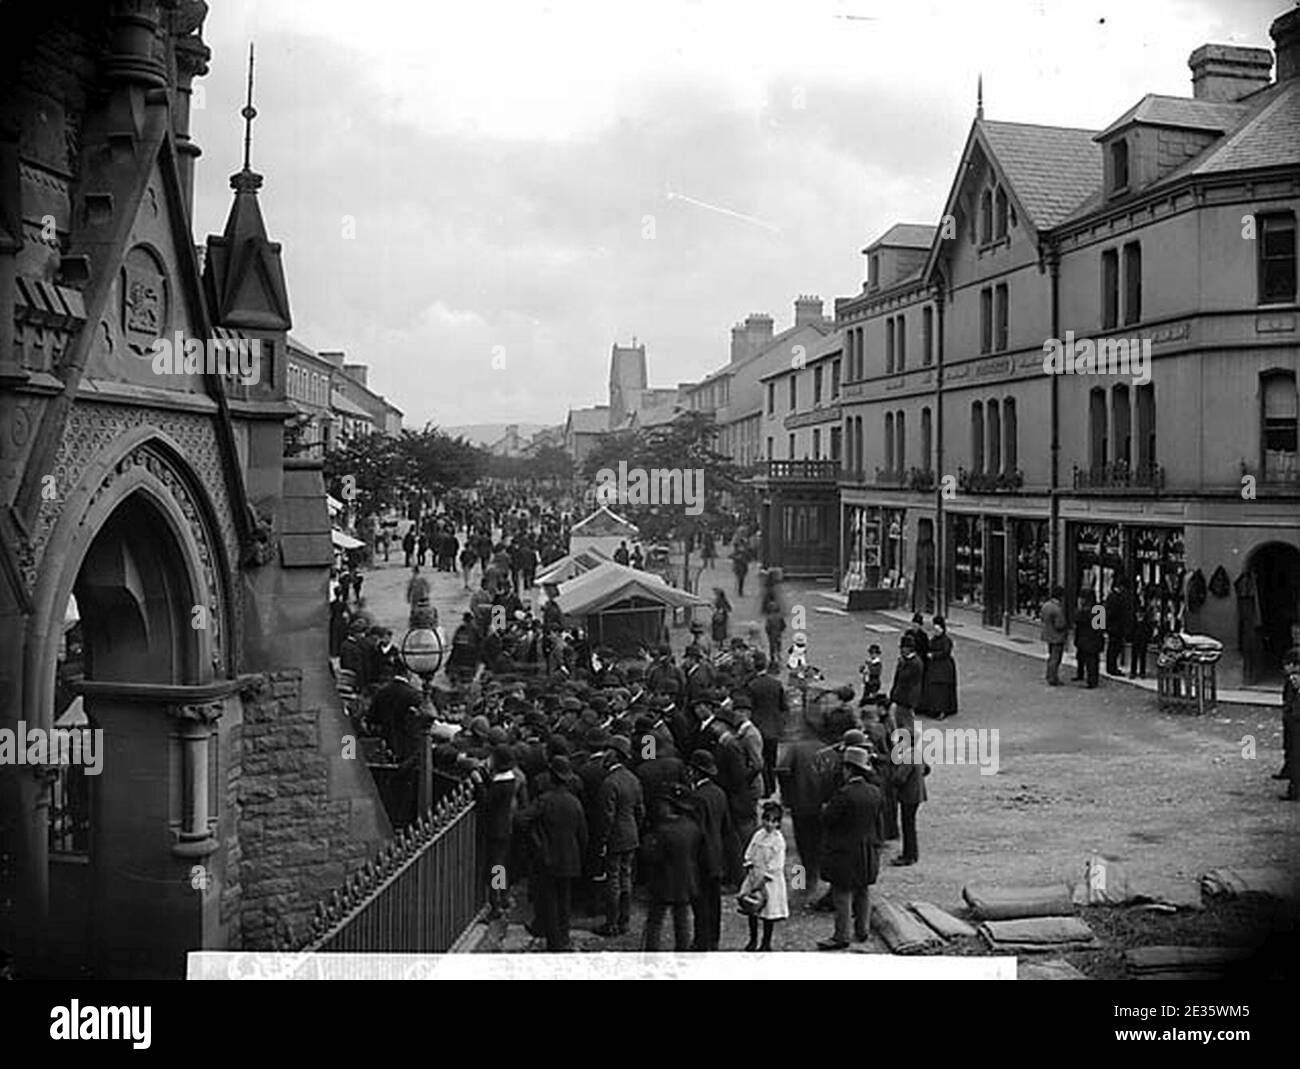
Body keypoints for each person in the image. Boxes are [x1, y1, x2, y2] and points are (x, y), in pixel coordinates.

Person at [816, 746, 883, 950]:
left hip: (844, 850)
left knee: (842, 893)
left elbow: (828, 819)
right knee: (863, 890)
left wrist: (825, 809)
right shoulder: (874, 792)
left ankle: (841, 935)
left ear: (850, 769)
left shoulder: (844, 794)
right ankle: (862, 930)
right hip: (867, 848)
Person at [522, 756, 588, 951]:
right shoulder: (575, 802)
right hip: (570, 858)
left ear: (552, 777)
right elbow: (583, 834)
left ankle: (555, 942)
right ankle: (564, 936)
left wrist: (535, 840)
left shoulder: (544, 800)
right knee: (564, 901)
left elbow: (522, 819)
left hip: (548, 857)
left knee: (550, 901)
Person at [641, 788, 705, 952]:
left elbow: (652, 857)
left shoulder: (662, 830)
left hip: (663, 880)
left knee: (655, 921)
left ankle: (651, 955)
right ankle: (682, 954)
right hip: (686, 880)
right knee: (682, 920)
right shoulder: (692, 827)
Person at [593, 736, 644, 937]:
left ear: (613, 756)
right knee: (626, 877)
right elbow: (641, 809)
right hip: (631, 834)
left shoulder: (609, 783)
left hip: (615, 837)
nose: (604, 755)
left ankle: (611, 923)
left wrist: (603, 841)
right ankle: (625, 921)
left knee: (613, 880)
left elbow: (606, 817)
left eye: (607, 752)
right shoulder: (633, 779)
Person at [686, 749, 732, 951]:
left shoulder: (696, 798)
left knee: (700, 901)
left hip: (700, 857)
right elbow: (726, 827)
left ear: (696, 772)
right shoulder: (719, 793)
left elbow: (696, 832)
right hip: (717, 854)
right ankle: (713, 938)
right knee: (714, 900)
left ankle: (701, 941)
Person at [739, 800, 790, 951]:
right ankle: (752, 939)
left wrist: (761, 883)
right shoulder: (758, 835)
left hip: (769, 881)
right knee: (752, 908)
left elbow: (776, 865)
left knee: (768, 912)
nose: (769, 824)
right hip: (754, 874)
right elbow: (749, 852)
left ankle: (766, 942)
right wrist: (749, 868)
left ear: (778, 823)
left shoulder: (778, 841)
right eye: (766, 819)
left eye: (773, 821)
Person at [747, 655, 788, 797]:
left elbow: (749, 707)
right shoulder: (776, 684)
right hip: (773, 728)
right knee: (772, 759)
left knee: (760, 759)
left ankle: (766, 788)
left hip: (758, 727)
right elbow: (783, 706)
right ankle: (773, 786)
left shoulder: (752, 685)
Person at [889, 728, 929, 866]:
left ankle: (909, 855)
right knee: (910, 824)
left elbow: (900, 778)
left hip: (909, 795)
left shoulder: (907, 756)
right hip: (917, 793)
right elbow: (927, 769)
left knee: (908, 826)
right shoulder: (916, 753)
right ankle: (912, 853)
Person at [921, 616, 957, 720]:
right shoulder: (933, 639)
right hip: (933, 667)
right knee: (932, 688)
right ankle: (932, 708)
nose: (935, 632)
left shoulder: (946, 640)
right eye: (934, 630)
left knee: (942, 689)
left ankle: (942, 710)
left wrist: (934, 655)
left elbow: (945, 652)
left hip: (944, 667)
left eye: (937, 630)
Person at [888, 634, 923, 736]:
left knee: (906, 722)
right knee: (900, 720)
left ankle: (910, 740)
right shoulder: (906, 661)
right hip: (901, 696)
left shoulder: (914, 663)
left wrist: (902, 664)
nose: (902, 650)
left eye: (904, 648)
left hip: (907, 697)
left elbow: (905, 677)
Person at [1277, 648, 1300, 802]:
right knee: (1292, 750)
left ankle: (1295, 790)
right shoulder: (1291, 679)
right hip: (1293, 718)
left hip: (1297, 720)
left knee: (1296, 755)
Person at [1040, 586, 1069, 686]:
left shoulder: (1046, 605)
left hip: (1048, 635)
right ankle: (1053, 678)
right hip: (1057, 637)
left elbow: (1042, 618)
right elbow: (1060, 624)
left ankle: (1049, 675)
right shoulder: (1057, 608)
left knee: (1051, 656)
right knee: (1056, 658)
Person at [1074, 589, 1104, 689]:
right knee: (1091, 660)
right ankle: (1089, 678)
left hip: (1088, 639)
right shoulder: (1098, 609)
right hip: (1092, 638)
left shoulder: (1087, 611)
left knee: (1090, 660)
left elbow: (1079, 620)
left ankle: (1092, 681)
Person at [1104, 578, 1132, 676]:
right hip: (1115, 627)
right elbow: (1112, 613)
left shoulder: (1112, 596)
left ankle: (1111, 667)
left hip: (1113, 627)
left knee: (1113, 648)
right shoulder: (1115, 597)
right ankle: (1112, 667)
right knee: (1114, 648)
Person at [1130, 598, 1153, 679]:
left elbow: (1149, 630)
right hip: (1135, 639)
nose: (1139, 615)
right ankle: (1133, 672)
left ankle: (1141, 672)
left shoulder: (1146, 622)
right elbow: (1131, 629)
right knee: (1134, 656)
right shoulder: (1134, 621)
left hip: (1143, 639)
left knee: (1142, 656)